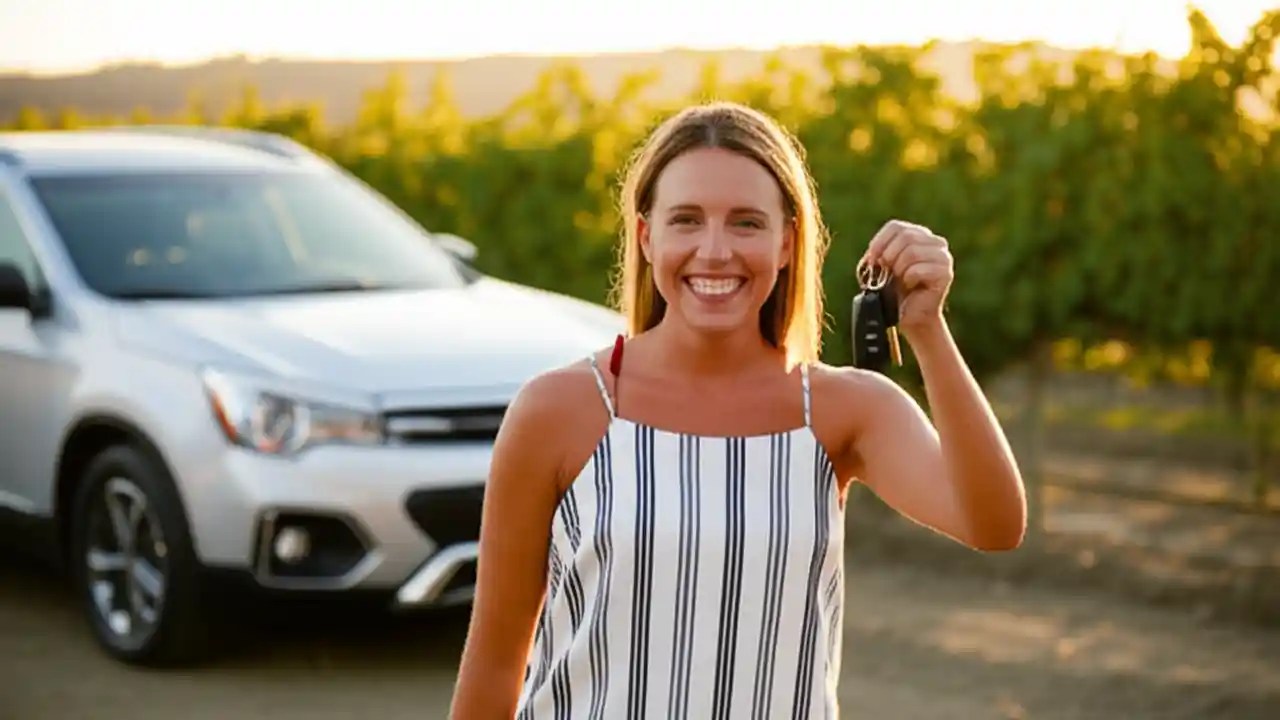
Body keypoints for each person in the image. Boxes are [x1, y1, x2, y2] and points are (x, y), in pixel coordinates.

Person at [449, 101, 1026, 719]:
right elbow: (494, 664)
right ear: (647, 237)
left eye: (747, 223)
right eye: (687, 220)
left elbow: (992, 524)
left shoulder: (843, 411)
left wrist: (927, 332)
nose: (715, 250)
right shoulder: (558, 410)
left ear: (787, 243)